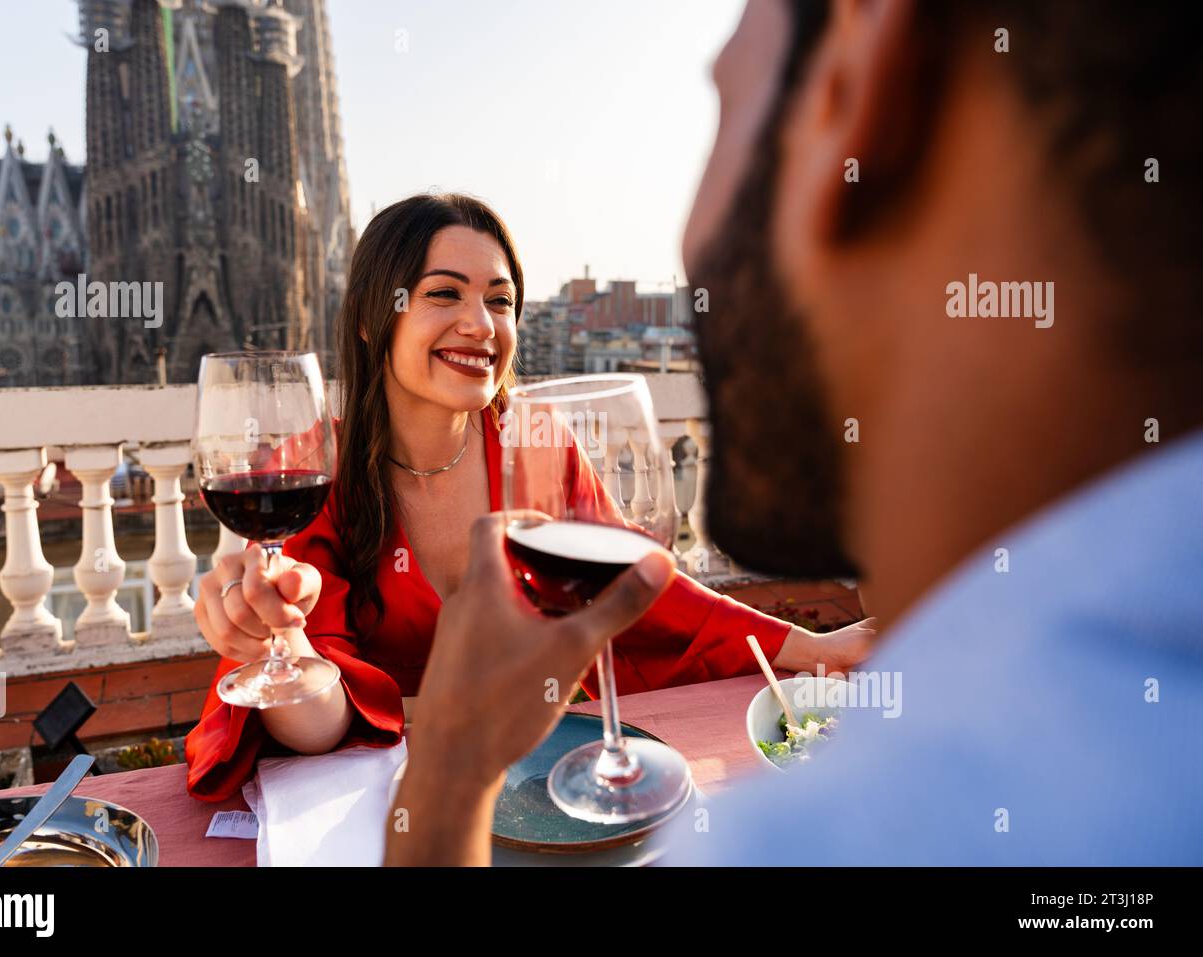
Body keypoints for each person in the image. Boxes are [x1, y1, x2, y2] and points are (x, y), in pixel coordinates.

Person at [385, 0, 1203, 865]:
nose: (690, 234)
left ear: (857, 72)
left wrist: (448, 770)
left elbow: (655, 598)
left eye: (722, 101)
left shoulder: (834, 833)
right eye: (443, 293)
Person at [184, 192, 876, 802]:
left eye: (500, 299)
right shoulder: (311, 474)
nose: (482, 324)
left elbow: (643, 593)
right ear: (371, 318)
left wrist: (811, 647)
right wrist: (279, 639)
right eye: (445, 294)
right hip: (398, 805)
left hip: (552, 783)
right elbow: (320, 722)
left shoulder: (538, 441)